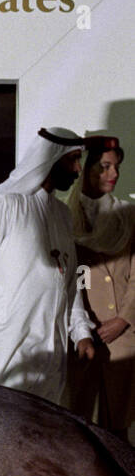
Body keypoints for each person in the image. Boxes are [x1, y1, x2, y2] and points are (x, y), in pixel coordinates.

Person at [0, 127, 95, 404]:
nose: (77, 169)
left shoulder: (62, 214)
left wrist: (81, 332)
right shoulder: (4, 204)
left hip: (51, 350)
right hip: (4, 342)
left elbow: (70, 282)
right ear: (51, 160)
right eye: (72, 160)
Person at [67, 134, 134, 435]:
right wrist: (80, 326)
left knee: (120, 425)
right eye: (105, 166)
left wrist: (124, 319)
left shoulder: (129, 215)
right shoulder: (63, 216)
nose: (114, 174)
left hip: (123, 334)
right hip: (81, 335)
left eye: (116, 167)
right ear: (86, 169)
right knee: (79, 423)